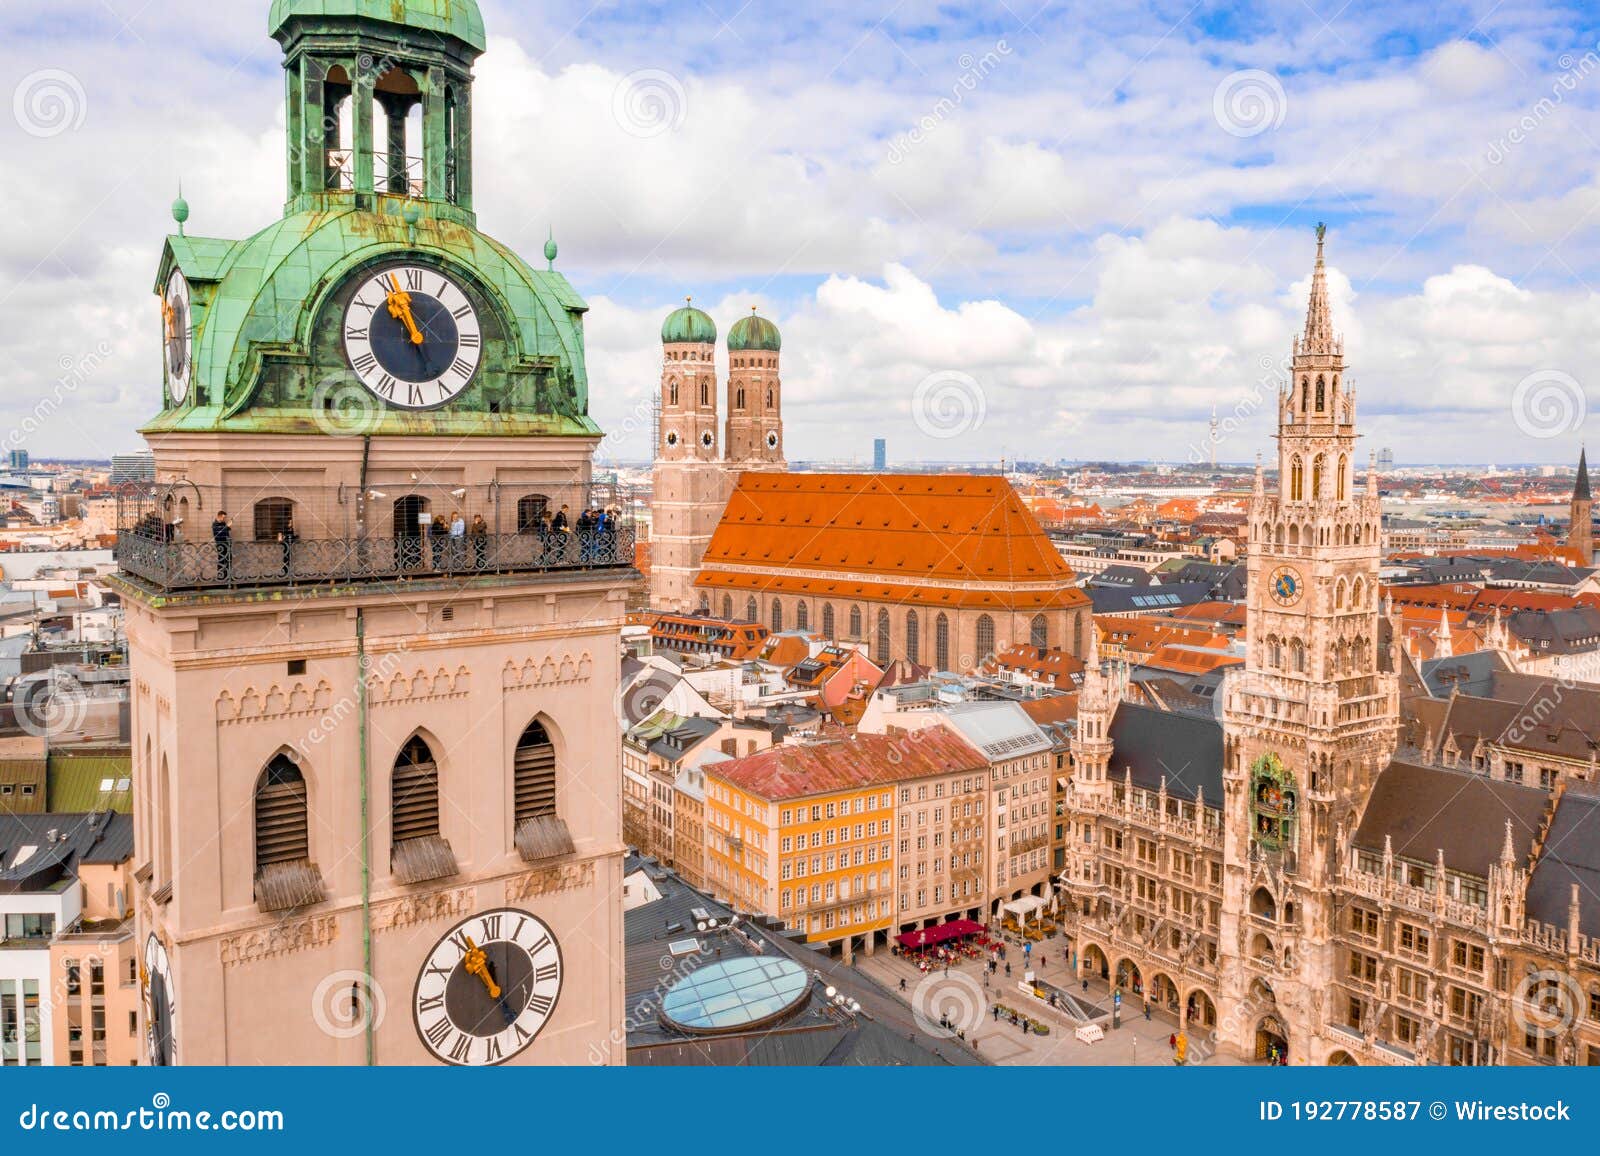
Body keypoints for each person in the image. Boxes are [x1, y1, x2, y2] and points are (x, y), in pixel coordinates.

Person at [212, 511, 231, 581]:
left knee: (228, 560)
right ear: (219, 516)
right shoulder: (215, 524)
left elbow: (226, 530)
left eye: (225, 518)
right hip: (220, 545)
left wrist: (228, 526)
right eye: (223, 517)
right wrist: (227, 527)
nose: (224, 519)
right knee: (221, 560)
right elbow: (218, 533)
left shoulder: (223, 523)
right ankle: (220, 577)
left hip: (226, 544)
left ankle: (228, 576)